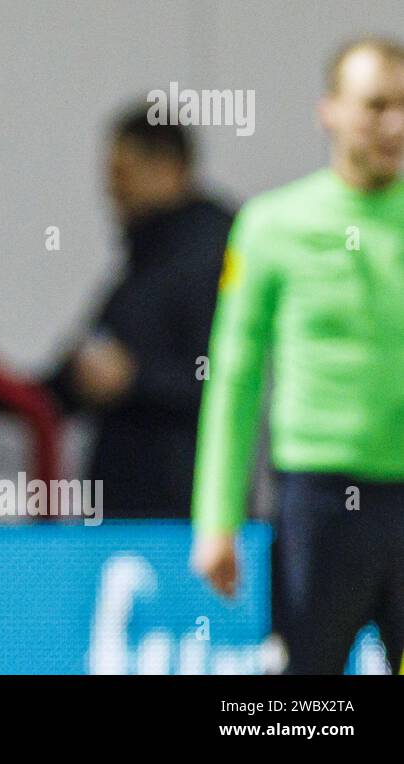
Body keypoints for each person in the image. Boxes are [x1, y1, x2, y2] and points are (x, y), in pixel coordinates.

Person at [192, 37, 404, 674]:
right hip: (319, 499)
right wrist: (217, 518)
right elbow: (234, 375)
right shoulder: (271, 225)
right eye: (376, 106)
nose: (395, 124)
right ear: (330, 111)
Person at [46, 106, 233, 518]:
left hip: (186, 514)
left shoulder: (216, 254)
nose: (111, 191)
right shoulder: (146, 261)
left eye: (121, 175)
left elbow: (231, 380)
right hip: (135, 515)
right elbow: (67, 382)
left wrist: (135, 380)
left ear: (168, 168)